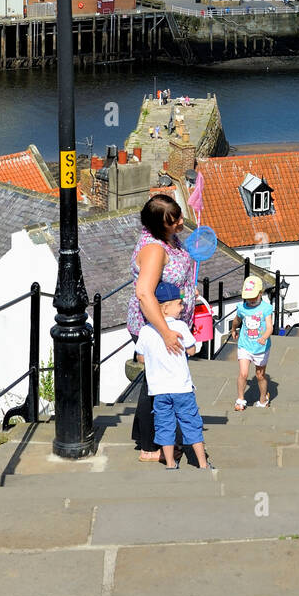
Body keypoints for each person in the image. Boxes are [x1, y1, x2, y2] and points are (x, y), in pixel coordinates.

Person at [127, 195, 197, 462]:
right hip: (155, 326)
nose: (181, 222)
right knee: (159, 385)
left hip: (170, 321)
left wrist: (189, 291)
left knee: (153, 381)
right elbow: (145, 293)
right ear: (158, 226)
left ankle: (147, 437)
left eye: (178, 215)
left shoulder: (166, 238)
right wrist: (166, 333)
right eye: (174, 220)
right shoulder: (155, 250)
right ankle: (150, 447)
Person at [135, 282, 210, 470]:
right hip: (182, 388)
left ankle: (170, 463)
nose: (183, 307)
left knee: (165, 427)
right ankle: (202, 464)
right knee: (191, 424)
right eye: (179, 303)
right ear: (166, 307)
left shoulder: (146, 330)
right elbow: (192, 350)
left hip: (159, 390)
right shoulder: (181, 326)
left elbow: (141, 358)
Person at [230, 275, 274, 410]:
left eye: (253, 296)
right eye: (248, 297)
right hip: (245, 344)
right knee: (243, 373)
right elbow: (237, 320)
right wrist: (233, 329)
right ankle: (240, 399)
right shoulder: (242, 307)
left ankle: (263, 398)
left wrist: (264, 337)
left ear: (260, 294)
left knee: (260, 375)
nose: (251, 300)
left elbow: (269, 326)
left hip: (261, 347)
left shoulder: (266, 308)